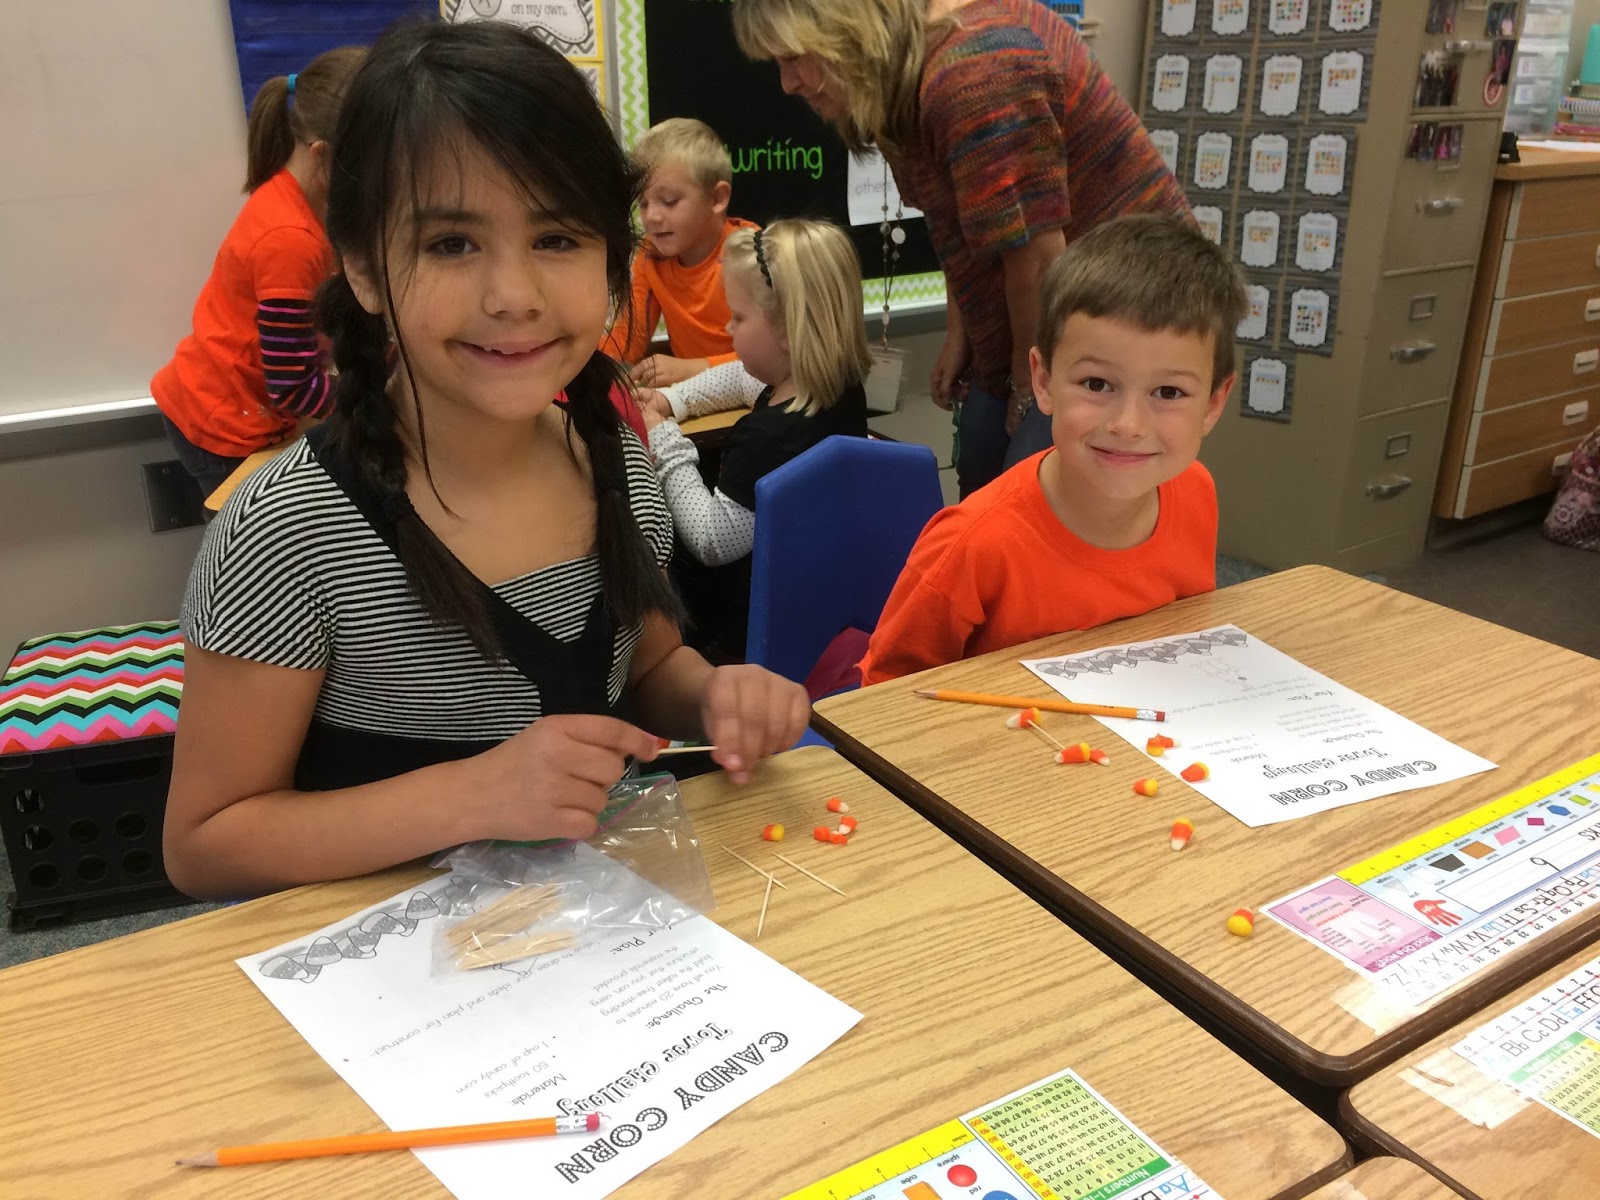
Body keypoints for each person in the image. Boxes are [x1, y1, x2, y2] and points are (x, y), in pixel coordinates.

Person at [164, 22, 809, 899]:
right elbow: (204, 844)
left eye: (558, 238)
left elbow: (648, 666)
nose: (513, 297)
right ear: (363, 269)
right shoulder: (287, 531)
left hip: (611, 931)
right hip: (398, 962)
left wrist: (714, 697)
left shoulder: (619, 464)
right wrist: (472, 795)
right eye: (451, 244)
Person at [733, 0, 1190, 497]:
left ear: (845, 27)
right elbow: (958, 222)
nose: (788, 84)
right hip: (1043, 314)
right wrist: (962, 335)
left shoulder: (975, 72)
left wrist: (1025, 392)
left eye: (793, 57)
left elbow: (1040, 263)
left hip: (1121, 316)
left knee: (1029, 500)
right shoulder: (898, 83)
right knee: (979, 471)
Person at [858, 215, 1246, 686]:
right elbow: (881, 701)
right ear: (1042, 381)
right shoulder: (970, 547)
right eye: (1097, 384)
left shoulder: (1195, 491)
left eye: (1168, 392)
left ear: (1213, 403)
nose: (1128, 425)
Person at [638, 219, 871, 660]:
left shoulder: (769, 438)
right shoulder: (833, 391)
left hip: (737, 633)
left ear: (786, 328)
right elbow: (740, 379)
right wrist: (672, 400)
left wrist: (661, 436)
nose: (728, 329)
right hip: (813, 597)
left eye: (739, 317)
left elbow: (712, 539)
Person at [152, 46, 366, 501]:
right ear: (322, 156)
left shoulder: (299, 197)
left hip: (241, 402)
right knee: (257, 535)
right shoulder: (289, 239)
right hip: (224, 423)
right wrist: (372, 400)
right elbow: (291, 386)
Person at [600, 118, 760, 389]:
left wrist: (694, 369)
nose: (651, 216)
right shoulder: (651, 256)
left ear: (717, 199)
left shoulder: (752, 253)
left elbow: (777, 356)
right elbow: (627, 343)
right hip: (692, 397)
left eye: (669, 201)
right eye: (643, 203)